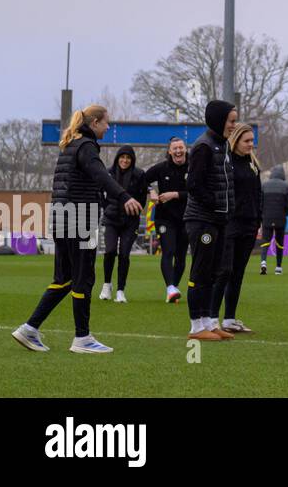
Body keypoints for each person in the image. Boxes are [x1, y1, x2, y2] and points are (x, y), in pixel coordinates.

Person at [12, 105, 141, 354]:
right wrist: (124, 196)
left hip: (62, 219)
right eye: (106, 123)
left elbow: (83, 182)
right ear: (94, 123)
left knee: (64, 279)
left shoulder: (71, 144)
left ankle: (29, 328)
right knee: (83, 278)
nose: (108, 127)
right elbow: (101, 175)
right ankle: (82, 338)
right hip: (81, 219)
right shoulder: (86, 147)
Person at [184, 100, 238, 342]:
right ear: (218, 120)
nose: (233, 126)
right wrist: (215, 203)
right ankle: (196, 327)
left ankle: (209, 322)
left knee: (213, 272)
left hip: (218, 220)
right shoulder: (203, 147)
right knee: (200, 271)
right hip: (202, 219)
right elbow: (193, 184)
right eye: (231, 121)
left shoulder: (222, 146)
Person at [210, 123, 263, 333]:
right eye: (247, 141)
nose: (251, 144)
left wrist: (258, 219)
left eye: (252, 141)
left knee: (238, 273)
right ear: (236, 141)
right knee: (224, 270)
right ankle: (211, 319)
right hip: (230, 223)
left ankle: (229, 319)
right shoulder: (226, 161)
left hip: (250, 224)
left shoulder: (253, 164)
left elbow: (258, 193)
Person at [99, 145, 149, 304]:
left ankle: (121, 290)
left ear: (132, 160)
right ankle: (107, 285)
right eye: (122, 157)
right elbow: (99, 192)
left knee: (124, 254)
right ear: (117, 158)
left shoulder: (139, 174)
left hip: (130, 221)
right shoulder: (108, 173)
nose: (125, 160)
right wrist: (106, 207)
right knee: (109, 251)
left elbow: (142, 196)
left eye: (128, 158)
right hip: (111, 219)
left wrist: (136, 209)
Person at [144, 137, 190, 302]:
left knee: (181, 257)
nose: (178, 151)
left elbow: (199, 191)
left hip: (187, 218)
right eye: (174, 148)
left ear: (185, 149)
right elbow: (143, 179)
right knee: (168, 251)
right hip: (165, 218)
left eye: (180, 148)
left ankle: (174, 288)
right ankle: (170, 288)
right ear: (169, 152)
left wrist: (175, 195)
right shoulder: (162, 168)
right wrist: (151, 191)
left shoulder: (194, 167)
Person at [259, 165, 288, 275]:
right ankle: (278, 267)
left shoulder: (264, 185)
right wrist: (285, 213)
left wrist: (262, 214)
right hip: (280, 218)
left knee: (265, 241)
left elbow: (260, 202)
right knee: (279, 243)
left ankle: (263, 262)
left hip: (267, 218)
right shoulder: (287, 187)